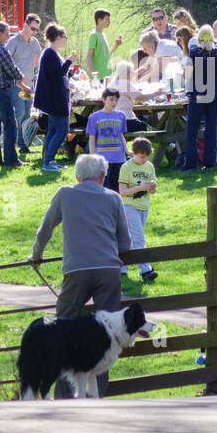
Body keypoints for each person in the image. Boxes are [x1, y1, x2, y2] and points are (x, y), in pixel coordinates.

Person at [30, 153, 134, 397]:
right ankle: (97, 395)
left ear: (77, 176)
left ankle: (65, 396)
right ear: (103, 176)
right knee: (107, 332)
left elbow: (46, 228)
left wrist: (37, 255)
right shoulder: (114, 198)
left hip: (76, 271)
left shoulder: (65, 194)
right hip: (108, 271)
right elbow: (125, 244)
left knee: (64, 329)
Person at [0, 21, 32, 168]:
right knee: (10, 126)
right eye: (7, 32)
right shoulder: (2, 51)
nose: (9, 36)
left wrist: (21, 85)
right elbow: (12, 70)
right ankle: (11, 160)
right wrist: (23, 78)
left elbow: (5, 74)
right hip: (1, 94)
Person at [180, 25, 217, 171]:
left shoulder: (194, 52)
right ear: (213, 38)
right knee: (211, 129)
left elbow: (187, 74)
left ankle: (191, 164)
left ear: (199, 39)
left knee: (192, 130)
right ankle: (209, 163)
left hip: (197, 93)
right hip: (213, 93)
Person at [33, 23, 75, 172]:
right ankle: (48, 161)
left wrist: (69, 72)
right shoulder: (50, 53)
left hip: (54, 98)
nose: (66, 39)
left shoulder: (51, 53)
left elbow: (58, 74)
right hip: (55, 100)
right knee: (62, 130)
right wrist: (69, 61)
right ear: (58, 37)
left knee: (53, 130)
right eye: (65, 36)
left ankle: (48, 160)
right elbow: (57, 74)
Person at [120, 138, 159, 283]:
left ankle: (121, 268)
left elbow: (153, 191)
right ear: (134, 153)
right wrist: (140, 187)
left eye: (147, 156)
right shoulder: (126, 167)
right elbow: (122, 192)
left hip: (144, 206)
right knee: (139, 238)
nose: (145, 159)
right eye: (142, 156)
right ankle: (146, 270)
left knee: (131, 240)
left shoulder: (149, 166)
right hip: (129, 206)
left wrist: (152, 187)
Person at [6, 13, 44, 155]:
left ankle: (24, 146)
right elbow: (6, 61)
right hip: (16, 85)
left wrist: (32, 75)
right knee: (20, 114)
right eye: (32, 28)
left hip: (29, 86)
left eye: (36, 30)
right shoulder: (14, 41)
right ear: (25, 25)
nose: (34, 32)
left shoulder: (34, 42)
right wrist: (18, 78)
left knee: (27, 115)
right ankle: (16, 145)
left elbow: (38, 58)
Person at [87, 87, 129, 192]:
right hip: (102, 159)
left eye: (116, 100)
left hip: (118, 158)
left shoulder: (121, 116)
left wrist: (127, 150)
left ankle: (116, 207)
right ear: (104, 99)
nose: (114, 102)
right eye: (111, 99)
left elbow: (120, 135)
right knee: (104, 189)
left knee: (117, 189)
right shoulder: (94, 117)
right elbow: (91, 138)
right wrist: (93, 155)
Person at [112, 59, 151, 133]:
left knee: (142, 123)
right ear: (127, 74)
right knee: (146, 127)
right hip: (126, 121)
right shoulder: (125, 83)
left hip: (113, 121)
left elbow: (131, 97)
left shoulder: (112, 83)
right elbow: (142, 97)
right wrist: (156, 93)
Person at [86, 8, 124, 80]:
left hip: (107, 75)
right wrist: (94, 75)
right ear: (99, 20)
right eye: (107, 20)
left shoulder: (103, 34)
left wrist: (116, 45)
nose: (109, 22)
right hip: (98, 77)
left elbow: (106, 54)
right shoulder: (94, 35)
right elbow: (89, 56)